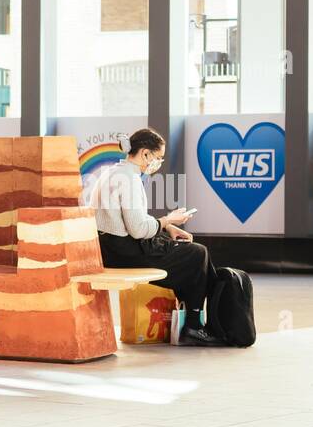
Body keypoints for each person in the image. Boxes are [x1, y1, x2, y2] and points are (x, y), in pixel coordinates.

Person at [86, 127, 224, 347]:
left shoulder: (113, 172)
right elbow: (139, 229)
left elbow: (132, 221)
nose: (158, 163)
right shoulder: (130, 180)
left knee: (185, 251)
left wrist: (165, 228)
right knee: (197, 254)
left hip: (109, 247)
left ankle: (191, 323)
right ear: (145, 154)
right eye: (158, 157)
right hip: (122, 253)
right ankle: (193, 325)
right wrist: (169, 220)